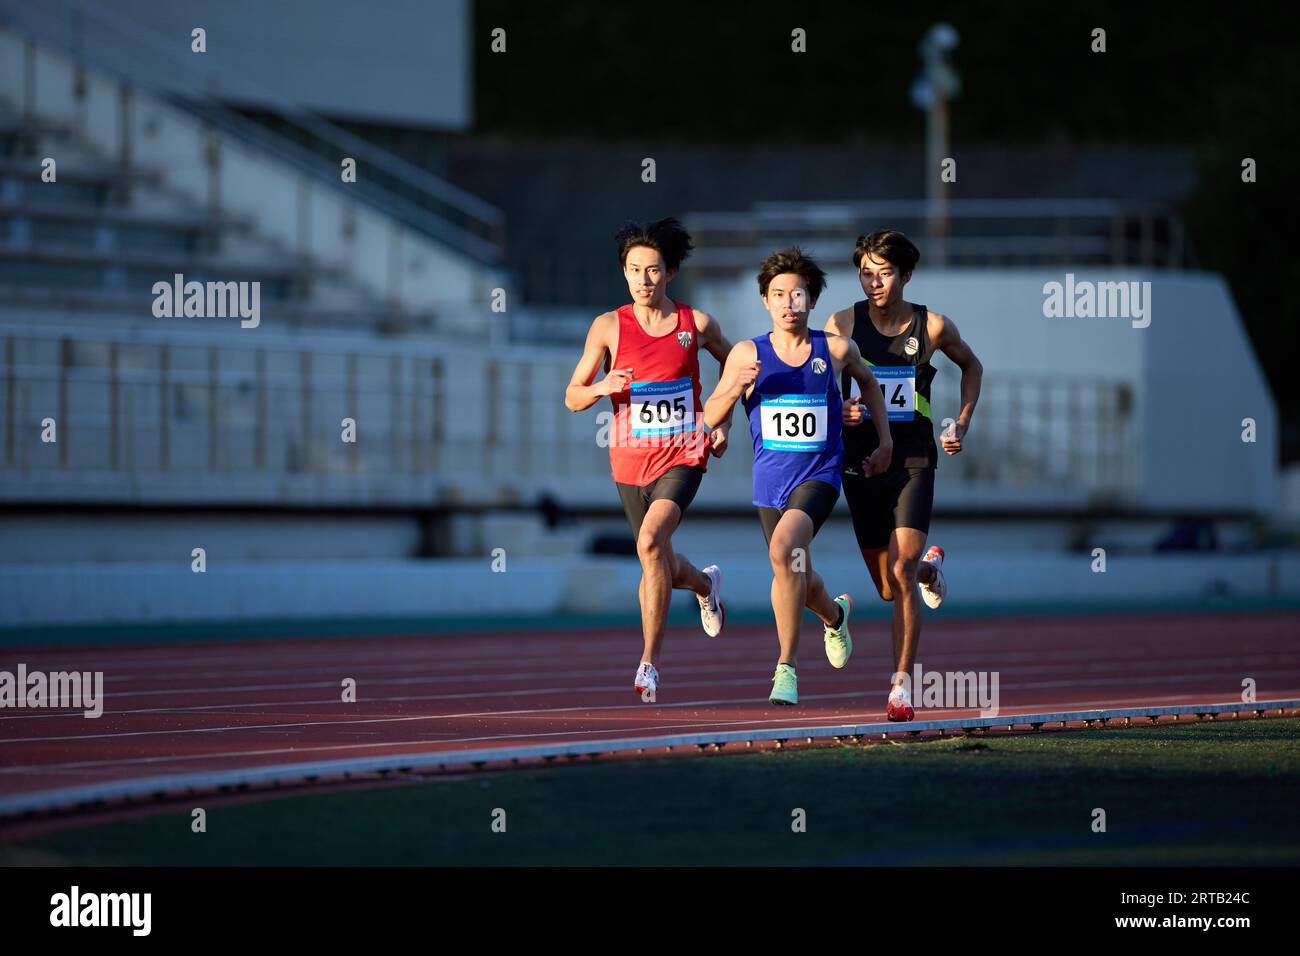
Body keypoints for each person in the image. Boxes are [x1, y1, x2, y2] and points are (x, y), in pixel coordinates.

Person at [704, 247, 893, 705]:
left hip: (820, 476)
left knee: (784, 551)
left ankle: (785, 668)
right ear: (765, 301)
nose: (788, 302)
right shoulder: (748, 352)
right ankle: (834, 615)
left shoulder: (835, 349)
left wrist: (882, 439)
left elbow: (869, 382)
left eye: (798, 294)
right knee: (795, 570)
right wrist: (733, 385)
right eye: (778, 295)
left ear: (811, 300)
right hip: (770, 484)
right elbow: (711, 413)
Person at [564, 218, 735, 702]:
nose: (644, 280)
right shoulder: (606, 326)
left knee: (650, 539)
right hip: (629, 462)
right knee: (654, 555)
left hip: (684, 452)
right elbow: (572, 396)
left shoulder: (695, 324)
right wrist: (601, 387)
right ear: (624, 272)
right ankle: (704, 584)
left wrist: (720, 423)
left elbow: (735, 364)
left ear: (671, 272)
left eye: (654, 270)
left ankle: (649, 664)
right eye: (635, 270)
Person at [825, 229, 983, 721]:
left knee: (901, 568)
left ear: (906, 275)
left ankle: (900, 687)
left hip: (913, 458)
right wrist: (844, 410)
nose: (874, 282)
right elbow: (824, 385)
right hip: (862, 462)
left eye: (884, 273)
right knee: (891, 587)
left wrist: (960, 421)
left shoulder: (932, 326)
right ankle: (931, 569)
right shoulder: (842, 324)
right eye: (866, 273)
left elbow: (972, 367)